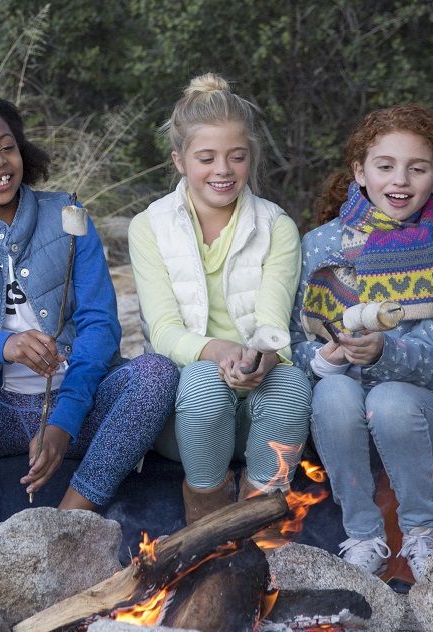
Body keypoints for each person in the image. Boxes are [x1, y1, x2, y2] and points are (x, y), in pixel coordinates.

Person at [0, 95, 180, 584]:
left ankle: (66, 527)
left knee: (157, 373)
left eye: (7, 147)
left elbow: (100, 327)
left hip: (79, 409)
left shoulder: (68, 215)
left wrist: (65, 418)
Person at [290, 104, 433, 583]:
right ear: (360, 171)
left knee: (390, 396)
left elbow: (431, 355)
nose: (400, 181)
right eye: (384, 166)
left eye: (417, 169)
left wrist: (383, 351)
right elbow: (293, 343)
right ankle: (363, 538)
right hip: (339, 427)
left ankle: (422, 536)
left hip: (420, 419)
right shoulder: (320, 246)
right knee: (334, 390)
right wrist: (324, 357)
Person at [128, 73, 311, 526]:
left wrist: (261, 360)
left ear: (251, 158)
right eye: (206, 158)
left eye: (237, 157)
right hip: (187, 416)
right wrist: (219, 352)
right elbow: (165, 331)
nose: (222, 171)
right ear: (179, 160)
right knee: (204, 382)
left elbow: (274, 326)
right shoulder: (149, 227)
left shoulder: (277, 227)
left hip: (259, 406)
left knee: (291, 386)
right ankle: (207, 513)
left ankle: (260, 518)